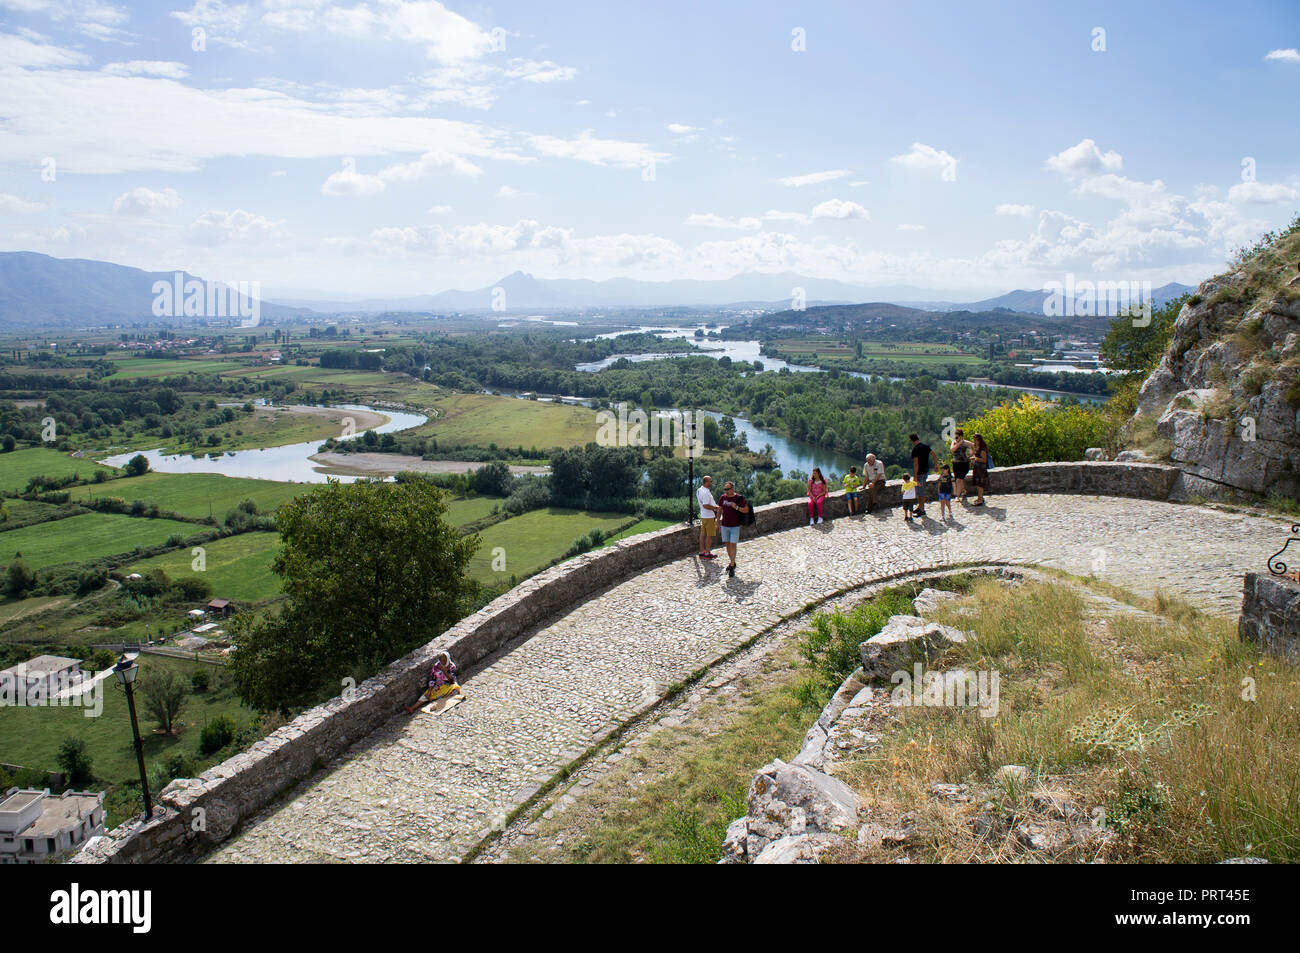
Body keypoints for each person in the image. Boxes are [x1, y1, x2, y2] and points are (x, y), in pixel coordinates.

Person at [717, 480, 749, 578]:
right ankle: (732, 562)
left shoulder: (738, 498)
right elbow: (719, 509)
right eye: (725, 489)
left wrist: (737, 508)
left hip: (735, 526)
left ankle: (731, 565)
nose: (726, 491)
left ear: (732, 488)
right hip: (725, 525)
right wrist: (717, 521)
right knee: (727, 544)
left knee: (733, 544)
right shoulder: (723, 497)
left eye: (728, 489)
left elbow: (746, 510)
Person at [909, 433, 937, 519]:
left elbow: (916, 464)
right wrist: (936, 465)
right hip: (926, 471)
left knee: (920, 493)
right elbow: (934, 454)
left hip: (920, 473)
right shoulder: (925, 446)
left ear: (912, 441)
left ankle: (922, 510)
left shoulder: (915, 449)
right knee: (921, 490)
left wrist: (915, 476)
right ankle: (920, 507)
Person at [696, 475, 719, 560]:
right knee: (709, 535)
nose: (711, 483)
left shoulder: (699, 490)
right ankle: (707, 553)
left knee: (703, 534)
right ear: (706, 482)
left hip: (703, 515)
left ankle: (701, 552)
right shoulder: (705, 492)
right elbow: (705, 505)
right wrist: (716, 508)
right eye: (710, 481)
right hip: (709, 516)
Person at [950, 428, 974, 502]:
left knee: (959, 480)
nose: (956, 438)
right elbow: (952, 450)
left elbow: (975, 446)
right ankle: (963, 491)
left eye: (957, 437)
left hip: (964, 464)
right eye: (955, 437)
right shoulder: (954, 443)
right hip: (956, 464)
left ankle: (957, 496)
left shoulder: (966, 443)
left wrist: (973, 455)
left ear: (961, 436)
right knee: (959, 479)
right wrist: (958, 444)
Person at [969, 434, 990, 506]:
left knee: (980, 484)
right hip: (977, 468)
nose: (974, 441)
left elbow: (984, 460)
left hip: (981, 469)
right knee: (978, 484)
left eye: (975, 440)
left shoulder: (982, 449)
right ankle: (979, 497)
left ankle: (980, 499)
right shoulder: (976, 447)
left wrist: (976, 459)